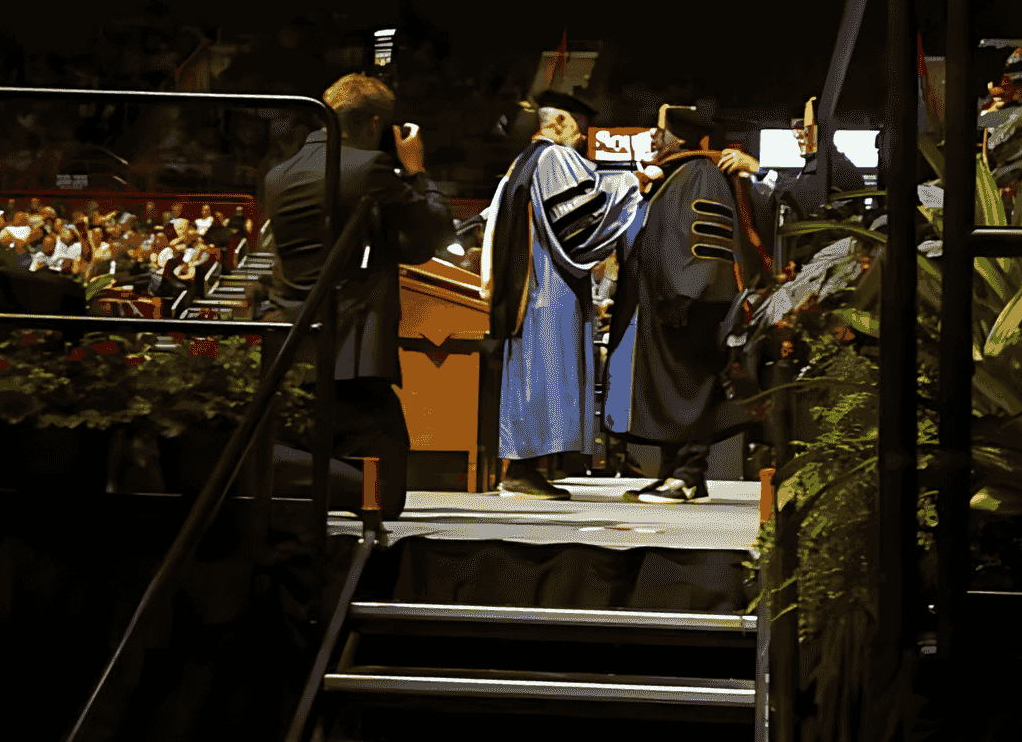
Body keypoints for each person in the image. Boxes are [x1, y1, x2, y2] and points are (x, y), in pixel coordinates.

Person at [259, 73, 454, 519]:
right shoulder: (368, 169)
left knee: (308, 443)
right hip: (351, 352)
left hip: (293, 344)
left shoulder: (279, 174)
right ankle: (265, 472)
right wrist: (416, 169)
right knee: (383, 493)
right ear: (373, 124)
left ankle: (273, 472)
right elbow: (433, 232)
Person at [481, 92, 644, 499]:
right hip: (548, 289)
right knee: (544, 378)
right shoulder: (553, 157)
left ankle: (523, 470)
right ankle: (521, 472)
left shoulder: (520, 162)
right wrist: (633, 183)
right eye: (580, 127)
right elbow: (582, 220)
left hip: (529, 287)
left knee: (531, 379)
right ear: (558, 122)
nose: (584, 137)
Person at [605, 107, 773, 503]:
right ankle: (672, 472)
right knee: (669, 392)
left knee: (688, 390)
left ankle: (689, 475)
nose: (653, 137)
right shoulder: (673, 176)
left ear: (679, 137)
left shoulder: (700, 173)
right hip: (661, 304)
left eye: (659, 131)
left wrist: (688, 292)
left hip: (689, 304)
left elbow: (706, 241)